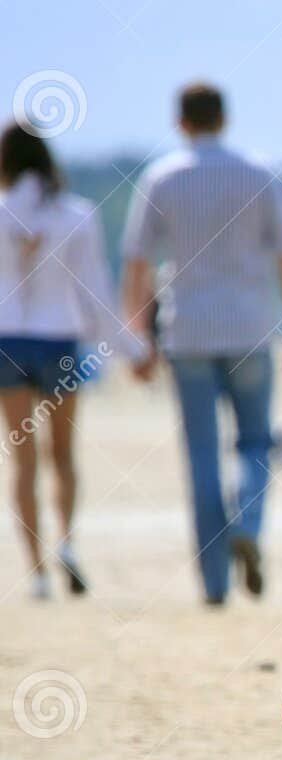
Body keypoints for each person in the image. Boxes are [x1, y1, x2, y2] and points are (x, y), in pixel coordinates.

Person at [120, 82, 282, 606]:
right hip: (250, 327)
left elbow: (136, 261)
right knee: (254, 441)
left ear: (181, 123)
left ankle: (214, 584)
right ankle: (247, 518)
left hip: (189, 332)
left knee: (201, 453)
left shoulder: (162, 178)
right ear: (224, 118)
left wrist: (137, 338)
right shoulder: (257, 173)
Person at [0, 122, 144, 599]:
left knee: (23, 461)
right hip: (59, 340)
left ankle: (37, 571)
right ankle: (67, 543)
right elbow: (94, 294)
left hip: (9, 343)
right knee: (62, 455)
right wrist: (134, 350)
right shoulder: (75, 214)